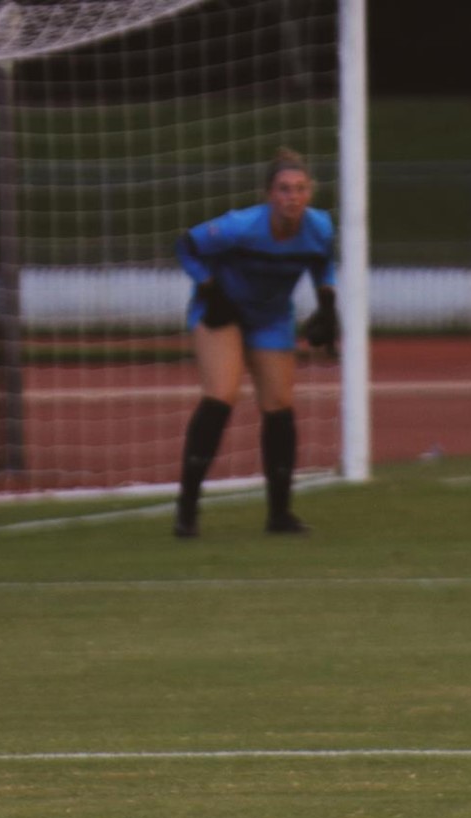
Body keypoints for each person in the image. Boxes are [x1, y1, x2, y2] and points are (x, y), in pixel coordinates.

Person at [171, 147, 340, 538]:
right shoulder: (240, 227)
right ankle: (187, 509)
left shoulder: (320, 228)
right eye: (283, 189)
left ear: (310, 193)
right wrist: (210, 290)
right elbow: (187, 246)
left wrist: (327, 303)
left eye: (300, 188)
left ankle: (279, 514)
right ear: (268, 194)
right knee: (221, 395)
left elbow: (322, 262)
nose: (292, 197)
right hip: (222, 311)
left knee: (279, 405)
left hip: (271, 317)